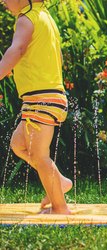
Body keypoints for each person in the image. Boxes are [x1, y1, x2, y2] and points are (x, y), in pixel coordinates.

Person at [0, 0, 72, 214]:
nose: (2, 1)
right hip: (47, 97)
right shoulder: (45, 17)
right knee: (18, 144)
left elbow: (17, 49)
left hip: (41, 99)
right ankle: (59, 181)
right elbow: (56, 56)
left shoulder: (26, 18)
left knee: (39, 155)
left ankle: (60, 208)